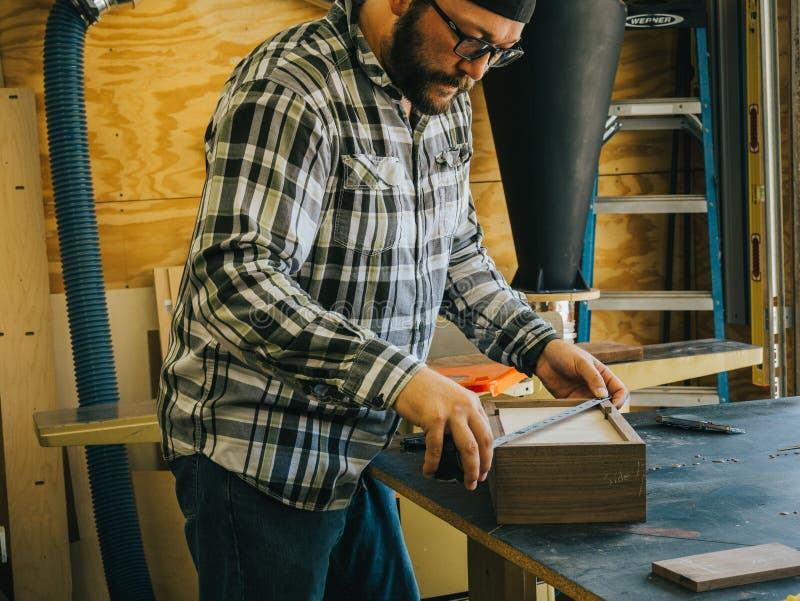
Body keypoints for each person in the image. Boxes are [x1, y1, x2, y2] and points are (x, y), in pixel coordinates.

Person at [157, 0, 628, 597]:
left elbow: (456, 256)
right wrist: (404, 381)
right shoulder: (293, 88)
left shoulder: (440, 93)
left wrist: (537, 346)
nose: (478, 71)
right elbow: (237, 278)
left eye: (500, 51)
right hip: (260, 454)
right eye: (472, 40)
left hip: (361, 444)